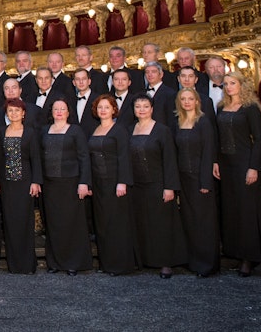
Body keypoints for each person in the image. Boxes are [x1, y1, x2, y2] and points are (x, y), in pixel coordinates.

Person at [216, 72, 261, 276]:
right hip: (225, 164)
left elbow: (258, 140)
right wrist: (215, 161)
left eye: (233, 83)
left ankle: (250, 257)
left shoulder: (250, 108)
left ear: (242, 85)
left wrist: (254, 167)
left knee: (247, 211)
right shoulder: (221, 107)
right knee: (231, 210)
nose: (229, 87)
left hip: (244, 163)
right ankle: (235, 252)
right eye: (226, 84)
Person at [129, 95, 187, 278]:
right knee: (142, 223)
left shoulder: (162, 130)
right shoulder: (130, 129)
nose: (142, 109)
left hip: (158, 183)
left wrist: (169, 187)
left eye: (145, 106)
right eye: (138, 106)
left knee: (161, 224)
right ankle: (146, 259)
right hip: (137, 185)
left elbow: (169, 160)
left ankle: (165, 263)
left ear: (152, 109)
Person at [40, 99, 92, 275]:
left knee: (72, 223)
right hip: (50, 184)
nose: (59, 111)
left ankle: (73, 263)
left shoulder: (76, 131)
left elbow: (84, 157)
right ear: (51, 112)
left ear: (69, 112)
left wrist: (84, 182)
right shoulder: (44, 130)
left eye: (63, 108)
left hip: (71, 183)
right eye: (56, 109)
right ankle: (54, 262)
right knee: (54, 223)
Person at [88, 94, 136, 276]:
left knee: (117, 223)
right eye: (100, 107)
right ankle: (106, 263)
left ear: (114, 110)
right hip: (99, 183)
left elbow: (124, 157)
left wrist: (122, 182)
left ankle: (120, 264)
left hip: (115, 182)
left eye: (106, 107)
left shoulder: (119, 130)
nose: (103, 110)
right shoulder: (96, 129)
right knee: (102, 223)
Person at [175, 87, 219, 277]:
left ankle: (206, 263)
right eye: (183, 99)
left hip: (200, 178)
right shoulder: (178, 122)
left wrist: (205, 182)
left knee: (204, 221)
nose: (186, 102)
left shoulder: (203, 122)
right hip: (184, 178)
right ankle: (192, 260)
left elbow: (208, 152)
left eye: (190, 98)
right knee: (189, 219)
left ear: (197, 101)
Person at [0, 98, 42, 274]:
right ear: (6, 114)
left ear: (23, 113)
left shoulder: (30, 132)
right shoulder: (1, 132)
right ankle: (14, 264)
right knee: (10, 222)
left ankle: (27, 264)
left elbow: (36, 159)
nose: (14, 114)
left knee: (24, 222)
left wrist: (36, 181)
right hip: (7, 184)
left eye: (17, 111)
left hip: (25, 184)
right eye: (10, 111)